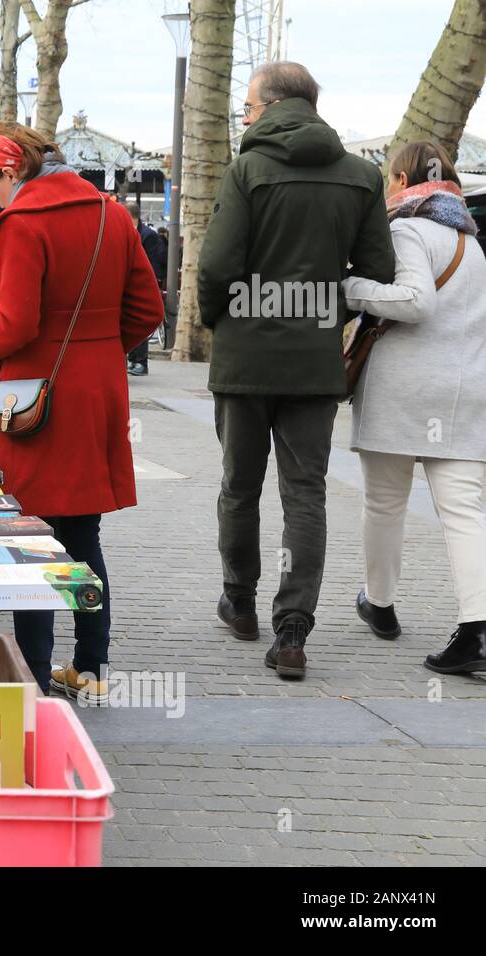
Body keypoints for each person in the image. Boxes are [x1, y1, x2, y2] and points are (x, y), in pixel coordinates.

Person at [198, 62, 395, 679]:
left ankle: (241, 600)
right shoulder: (362, 176)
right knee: (305, 494)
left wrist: (220, 322)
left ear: (274, 104)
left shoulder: (248, 169)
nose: (247, 116)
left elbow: (216, 265)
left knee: (239, 487)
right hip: (314, 361)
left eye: (249, 106)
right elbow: (379, 274)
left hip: (246, 358)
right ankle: (292, 629)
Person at [0, 122, 165, 701]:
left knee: (33, 536)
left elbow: (18, 322)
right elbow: (149, 309)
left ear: (11, 171)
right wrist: (98, 348)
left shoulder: (23, 224)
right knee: (83, 534)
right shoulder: (111, 212)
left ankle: (33, 673)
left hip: (36, 395)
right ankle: (92, 668)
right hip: (97, 389)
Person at [341, 141, 486, 676]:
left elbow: (416, 302)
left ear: (401, 179)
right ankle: (478, 628)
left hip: (405, 389)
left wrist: (351, 287)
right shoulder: (471, 242)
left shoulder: (404, 229)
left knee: (384, 503)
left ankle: (379, 605)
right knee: (465, 512)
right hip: (467, 392)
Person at [125, 201, 166, 376]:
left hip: (144, 283)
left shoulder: (147, 235)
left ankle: (140, 361)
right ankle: (133, 359)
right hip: (129, 282)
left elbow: (154, 261)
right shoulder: (130, 231)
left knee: (139, 318)